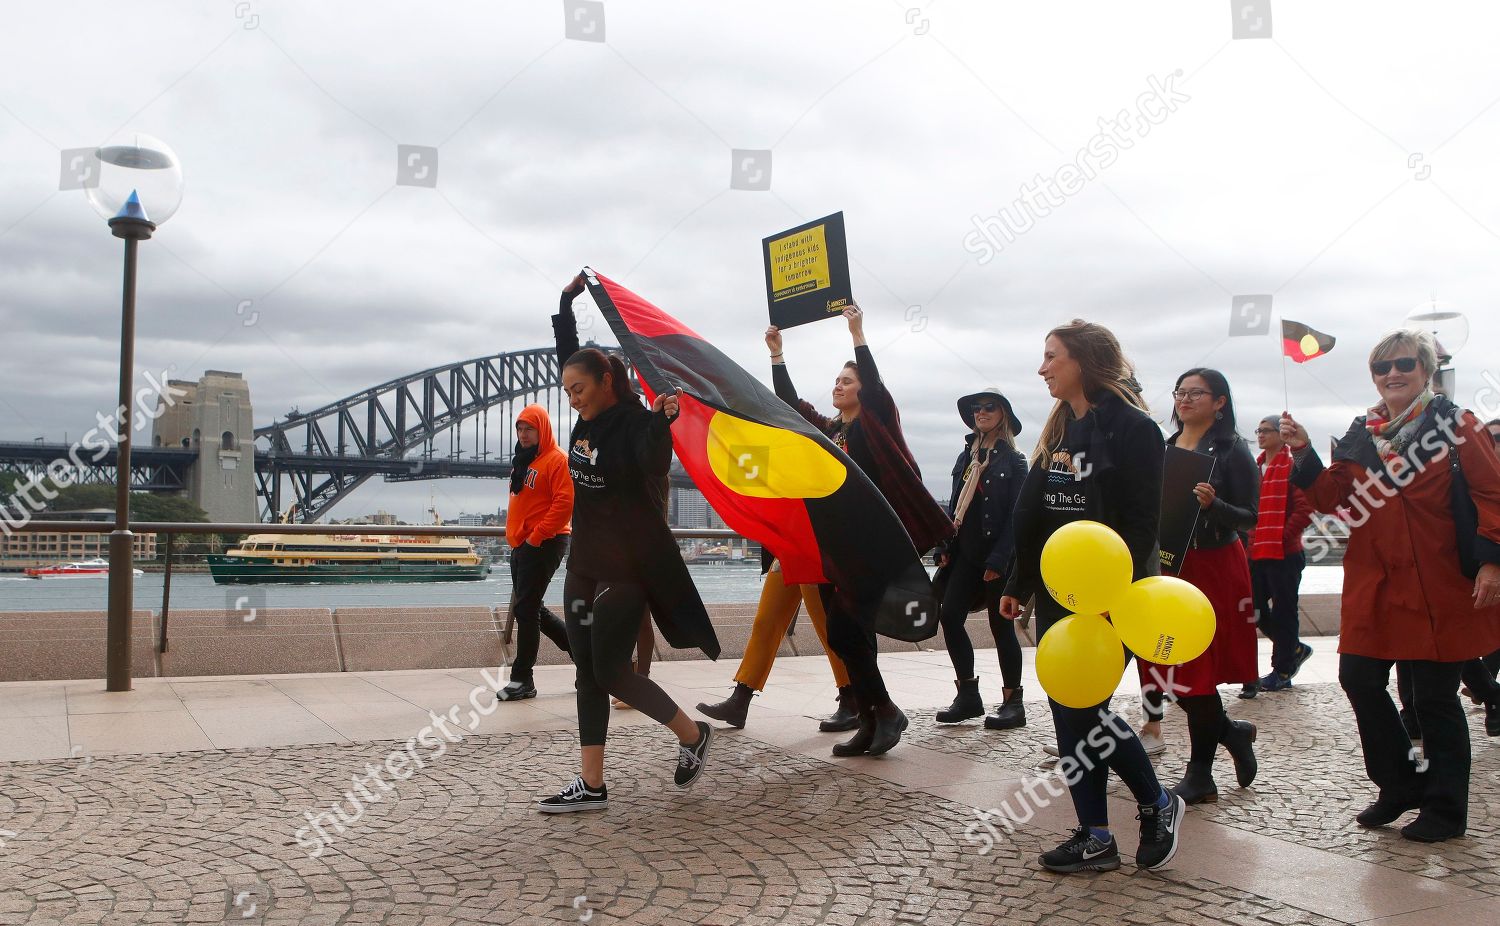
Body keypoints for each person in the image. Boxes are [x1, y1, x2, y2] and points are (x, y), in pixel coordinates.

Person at [1281, 328, 1500, 841]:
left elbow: (1493, 494)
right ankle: (1400, 782)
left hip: (1439, 584)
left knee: (1434, 701)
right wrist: (1306, 453)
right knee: (1358, 677)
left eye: (1404, 364)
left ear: (1425, 370)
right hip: (1375, 583)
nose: (1393, 374)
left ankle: (1446, 811)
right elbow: (1333, 498)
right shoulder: (1363, 432)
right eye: (1383, 368)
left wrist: (1492, 562)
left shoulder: (1457, 426)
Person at [1000, 319, 1184, 873]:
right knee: (1068, 714)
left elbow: (1141, 525)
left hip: (1109, 594)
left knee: (1088, 712)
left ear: (1084, 360)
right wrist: (1019, 582)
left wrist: (1107, 595)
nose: (1043, 368)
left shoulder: (1135, 430)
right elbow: (1034, 513)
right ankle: (1097, 836)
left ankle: (1156, 804)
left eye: (1052, 356)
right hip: (1060, 591)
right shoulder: (1059, 429)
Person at [535, 275, 720, 813]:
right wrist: (566, 303)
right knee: (585, 673)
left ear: (607, 384)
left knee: (611, 670)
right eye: (567, 391)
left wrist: (663, 423)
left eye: (580, 390)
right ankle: (592, 786)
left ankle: (692, 735)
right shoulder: (587, 409)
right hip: (585, 561)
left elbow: (654, 462)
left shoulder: (636, 421)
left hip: (628, 567)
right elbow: (571, 352)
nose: (572, 401)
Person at [767, 304, 953, 757]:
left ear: (863, 392)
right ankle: (872, 720)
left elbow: (878, 391)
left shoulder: (875, 423)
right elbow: (792, 409)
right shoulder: (831, 431)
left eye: (847, 381)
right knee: (846, 634)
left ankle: (886, 712)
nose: (838, 385)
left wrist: (858, 334)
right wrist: (777, 357)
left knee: (848, 630)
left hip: (875, 544)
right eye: (836, 380)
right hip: (839, 548)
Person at [1136, 369, 1260, 805]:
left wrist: (1214, 504)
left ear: (1220, 402)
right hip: (1170, 565)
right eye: (1180, 392)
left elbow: (1249, 516)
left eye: (1197, 393)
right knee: (1165, 666)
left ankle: (1201, 774)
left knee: (1196, 673)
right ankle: (1232, 732)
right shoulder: (1166, 446)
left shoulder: (1231, 450)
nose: (1186, 399)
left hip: (1212, 566)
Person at [933, 387, 1028, 728]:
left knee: (1001, 628)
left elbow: (1018, 516)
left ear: (1003, 414)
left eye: (990, 407)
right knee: (950, 616)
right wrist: (944, 546)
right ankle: (969, 696)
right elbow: (957, 505)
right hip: (965, 554)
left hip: (996, 558)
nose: (981, 412)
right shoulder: (966, 457)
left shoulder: (1015, 461)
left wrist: (999, 561)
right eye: (976, 408)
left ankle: (1013, 702)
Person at [695, 557, 857, 731]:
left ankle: (852, 698)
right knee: (765, 622)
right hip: (786, 549)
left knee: (826, 626)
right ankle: (739, 700)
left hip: (813, 550)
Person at [496, 404, 573, 701]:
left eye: (530, 428)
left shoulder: (557, 461)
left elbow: (564, 505)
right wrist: (518, 540)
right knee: (532, 607)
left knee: (526, 609)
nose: (523, 434)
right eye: (520, 428)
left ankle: (522, 679)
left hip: (545, 542)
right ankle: (586, 658)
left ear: (543, 429)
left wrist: (535, 538)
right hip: (522, 545)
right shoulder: (522, 461)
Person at [1249, 414, 1316, 693]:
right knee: (1254, 609)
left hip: (1285, 553)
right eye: (1258, 430)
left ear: (1280, 434)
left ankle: (1283, 669)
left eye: (1266, 430)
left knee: (1285, 612)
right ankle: (1294, 648)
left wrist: (1281, 536)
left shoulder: (1291, 466)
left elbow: (1305, 509)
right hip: (1256, 550)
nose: (1260, 435)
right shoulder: (1255, 467)